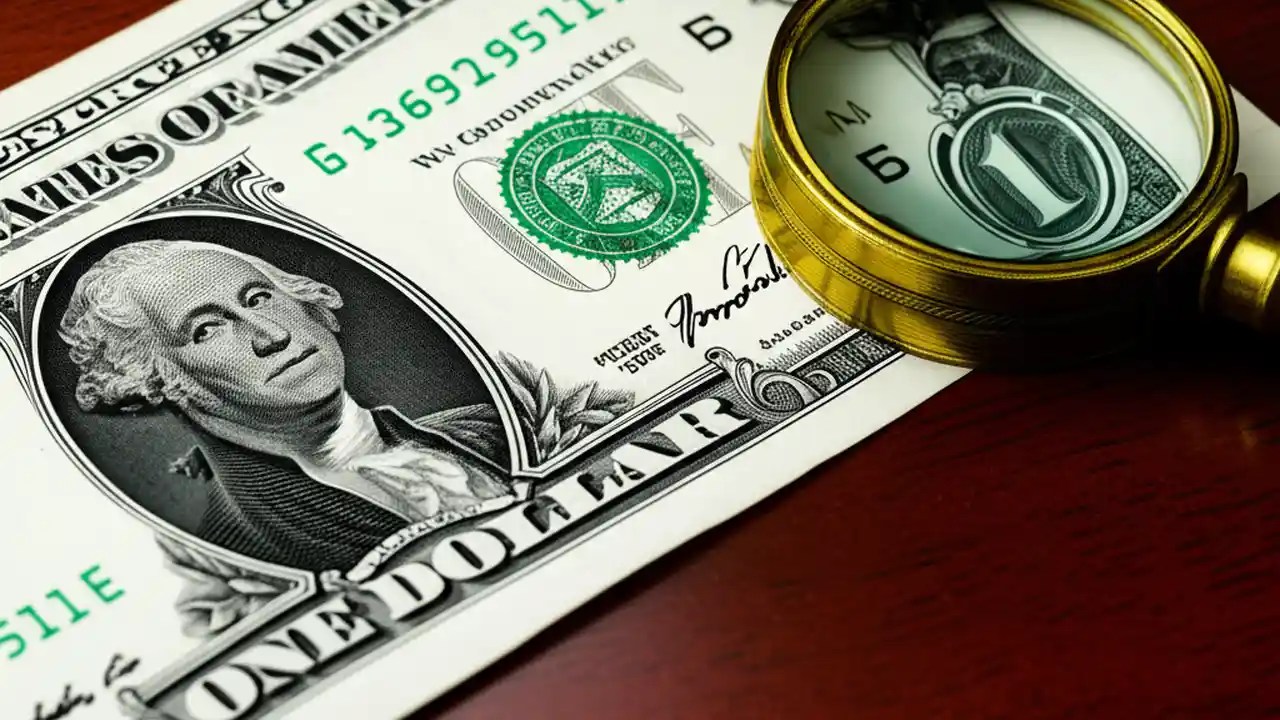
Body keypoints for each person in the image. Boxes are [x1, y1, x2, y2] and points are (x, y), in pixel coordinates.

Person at [58, 239, 514, 573]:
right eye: (207, 330)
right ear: (155, 380)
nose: (273, 335)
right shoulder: (240, 554)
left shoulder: (490, 431)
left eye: (259, 298)